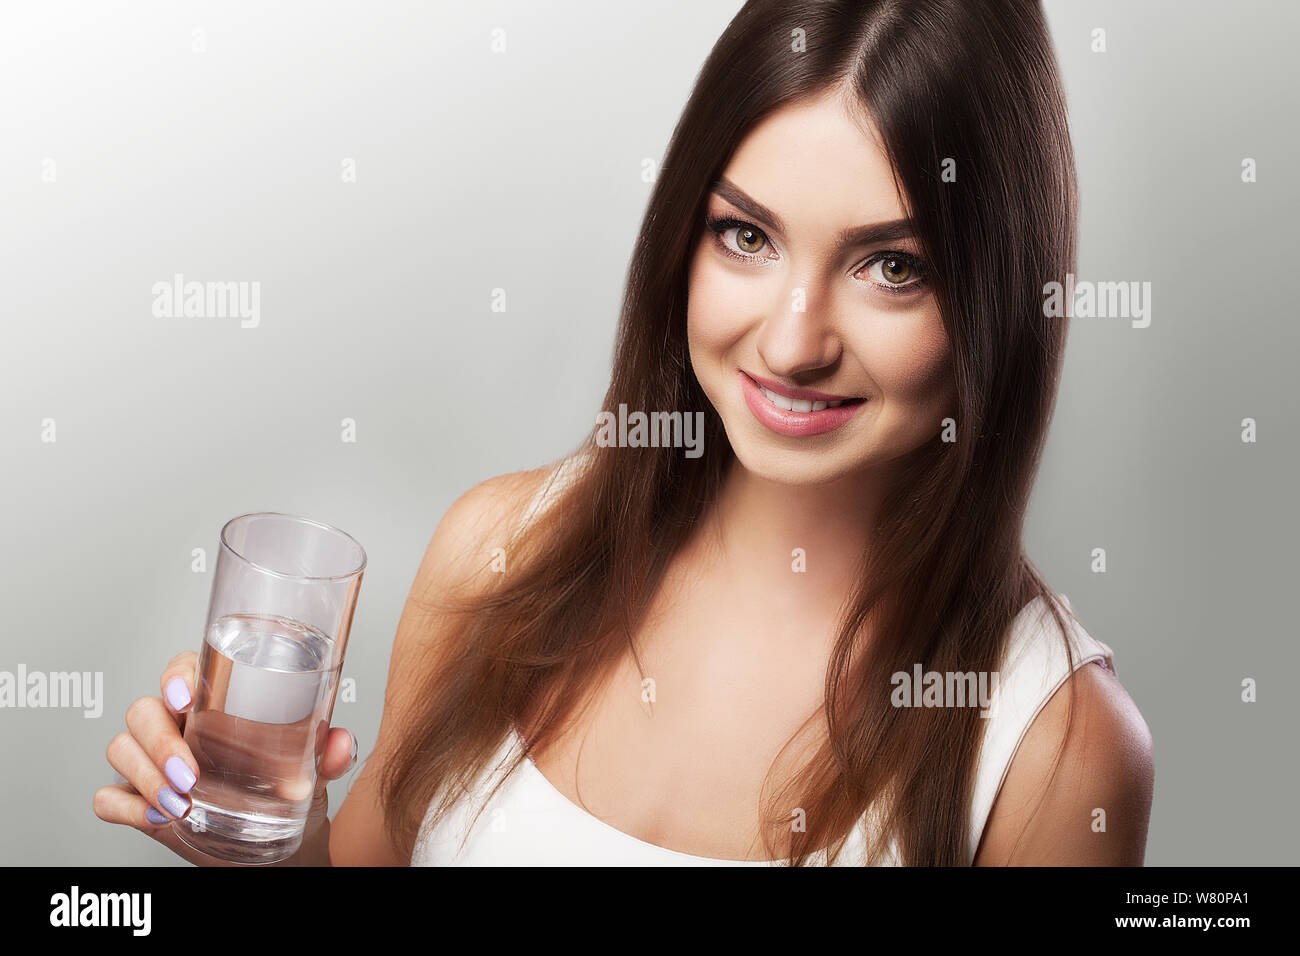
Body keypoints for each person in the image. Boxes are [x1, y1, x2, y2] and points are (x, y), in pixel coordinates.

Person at [95, 0, 1153, 866]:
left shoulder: (1053, 748)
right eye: (746, 235)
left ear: (1000, 294)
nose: (790, 342)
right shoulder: (496, 550)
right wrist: (250, 846)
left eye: (891, 265)